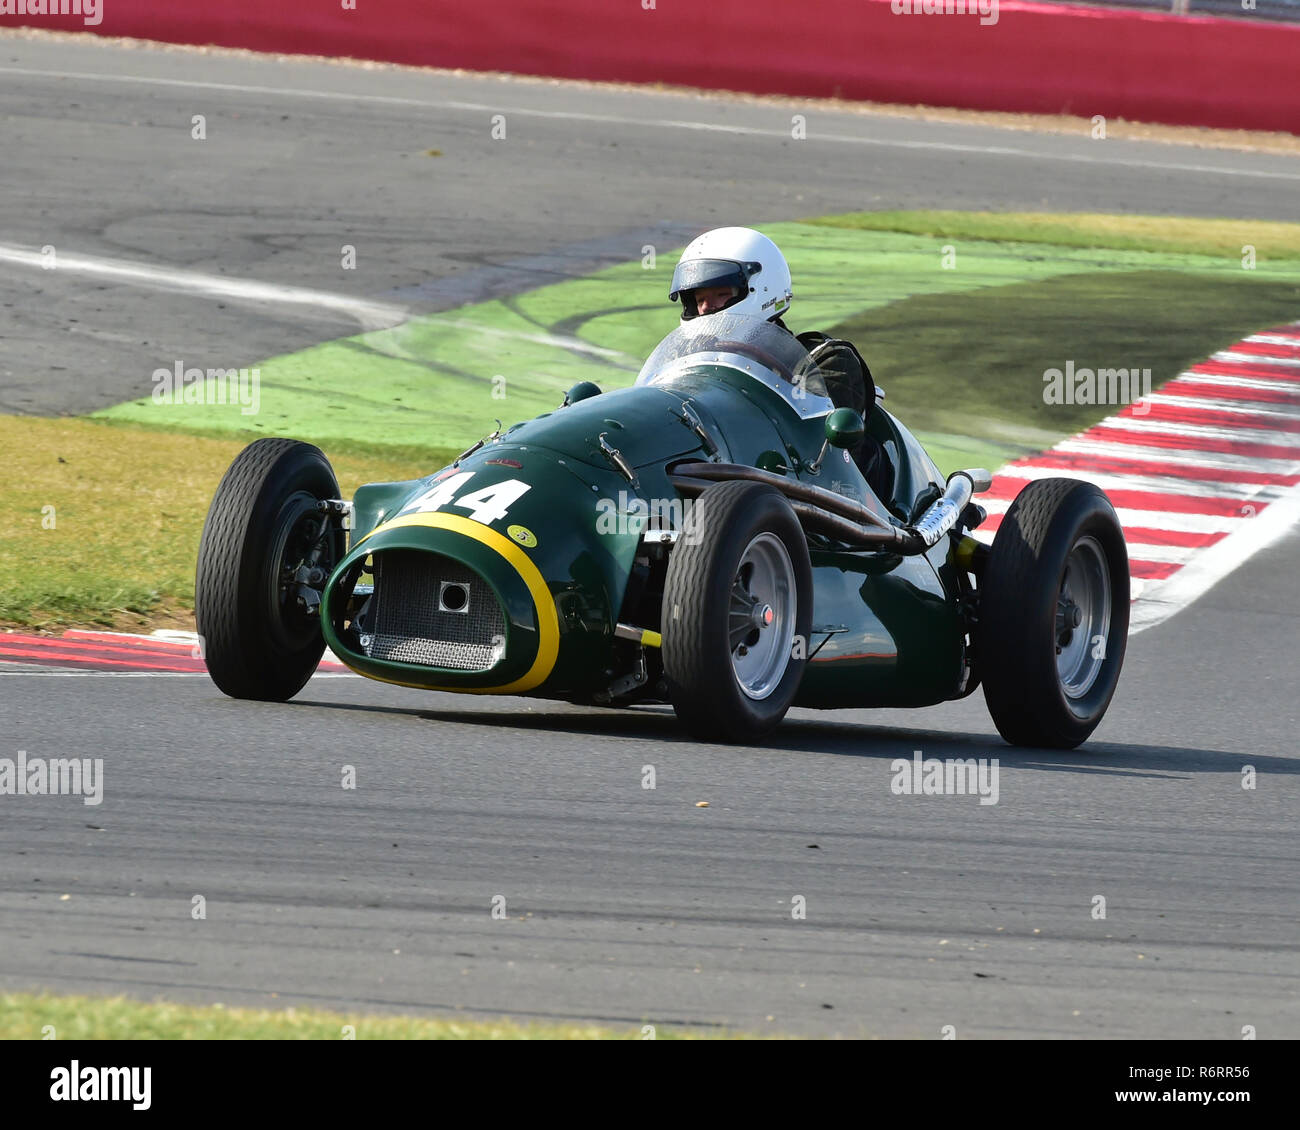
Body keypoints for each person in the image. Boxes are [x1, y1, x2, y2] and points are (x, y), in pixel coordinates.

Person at [668, 227, 893, 502]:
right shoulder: (688, 367)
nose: (705, 309)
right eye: (699, 299)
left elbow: (818, 453)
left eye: (720, 294)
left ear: (761, 289)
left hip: (823, 511)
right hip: (723, 497)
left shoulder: (826, 359)